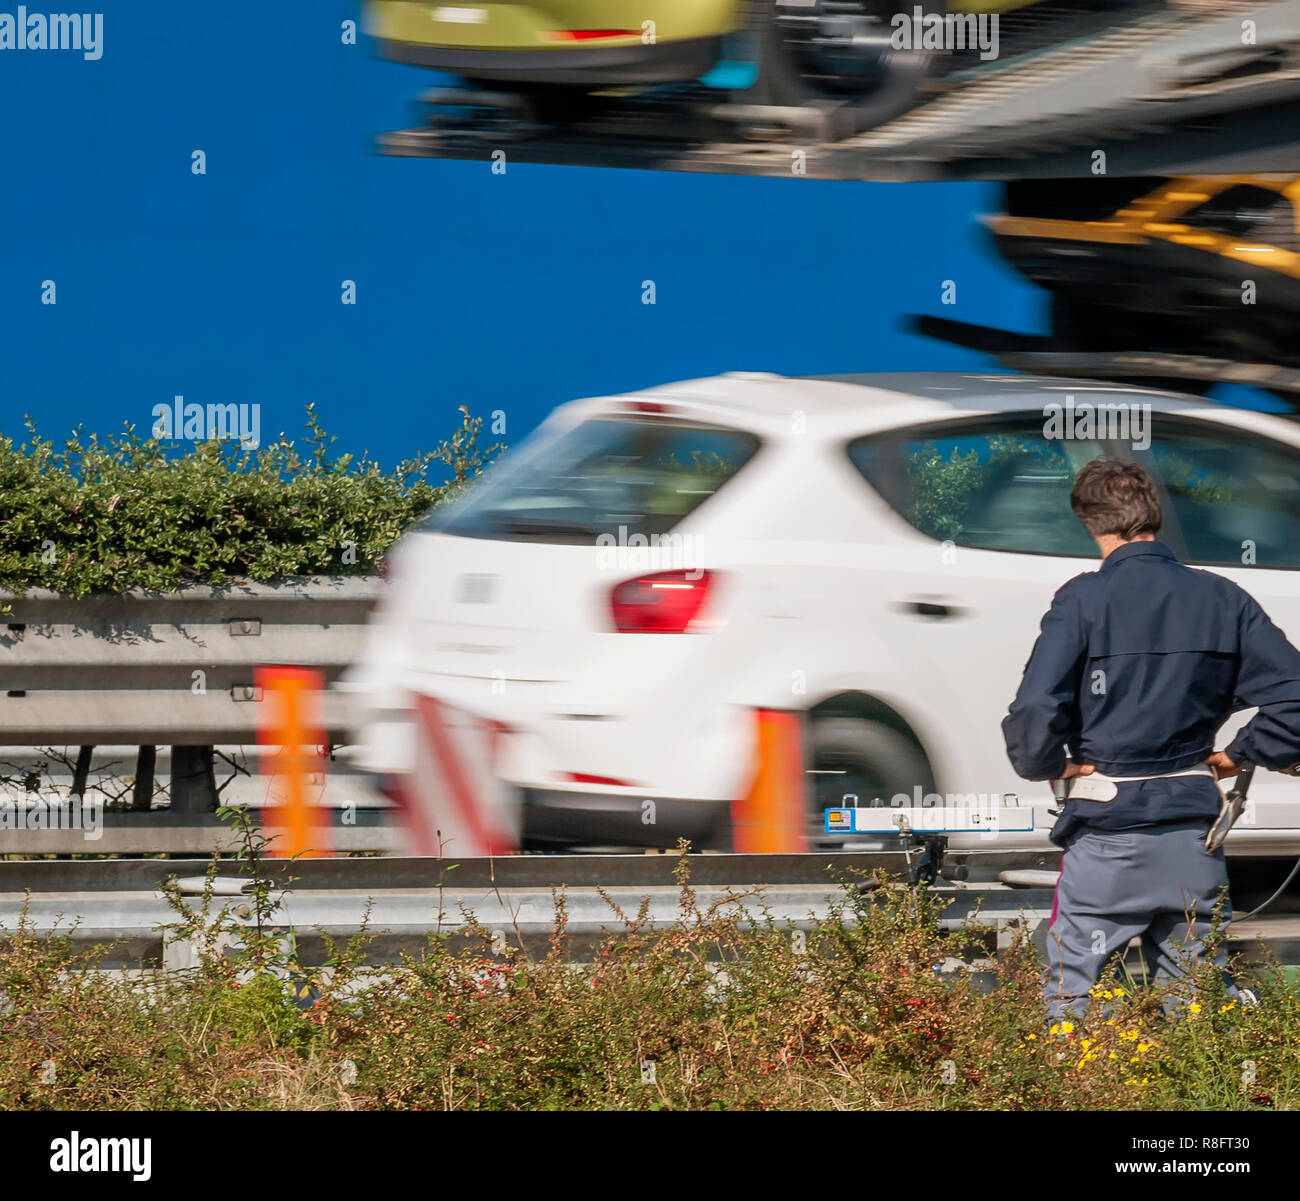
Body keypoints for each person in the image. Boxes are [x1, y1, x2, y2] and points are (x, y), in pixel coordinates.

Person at [1002, 458, 1300, 1019]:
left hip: (1107, 839)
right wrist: (1240, 753)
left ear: (1090, 523)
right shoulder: (1223, 598)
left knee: (1075, 1008)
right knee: (1198, 1010)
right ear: (1156, 516)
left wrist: (1048, 764)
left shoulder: (1083, 600)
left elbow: (1037, 706)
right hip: (1194, 839)